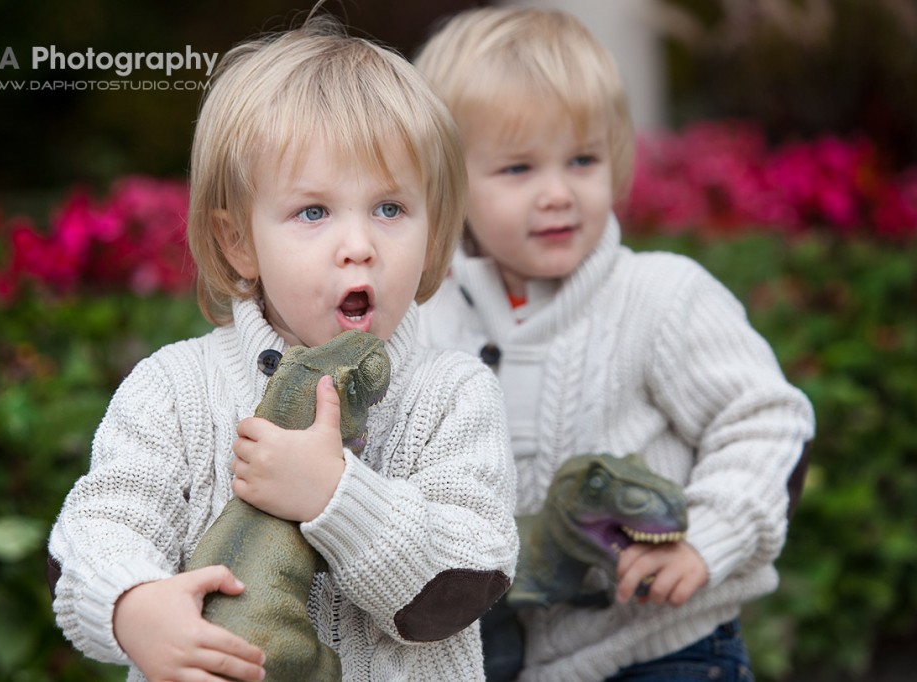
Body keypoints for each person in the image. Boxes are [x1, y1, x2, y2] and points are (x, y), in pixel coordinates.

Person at [48, 14, 520, 682]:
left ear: (432, 227)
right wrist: (131, 604)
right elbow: (96, 529)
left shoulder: (451, 394)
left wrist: (335, 495)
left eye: (390, 208)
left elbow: (464, 582)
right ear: (238, 240)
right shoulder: (176, 388)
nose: (359, 243)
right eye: (313, 212)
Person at [414, 7, 815, 682]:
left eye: (582, 159)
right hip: (502, 660)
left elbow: (769, 424)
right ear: (448, 183)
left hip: (665, 645)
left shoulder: (660, 297)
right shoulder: (426, 317)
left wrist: (706, 543)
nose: (558, 193)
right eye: (518, 169)